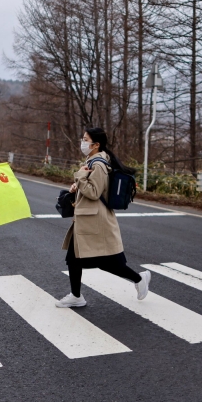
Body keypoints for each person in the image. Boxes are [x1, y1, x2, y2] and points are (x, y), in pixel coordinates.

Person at [54, 127, 150, 307]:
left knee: (106, 262)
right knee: (74, 259)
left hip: (94, 221)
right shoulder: (93, 161)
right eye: (83, 139)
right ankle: (76, 296)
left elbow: (94, 192)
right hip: (86, 219)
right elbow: (91, 188)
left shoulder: (98, 164)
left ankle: (138, 279)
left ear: (96, 144)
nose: (82, 142)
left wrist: (80, 176)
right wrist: (77, 186)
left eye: (85, 140)